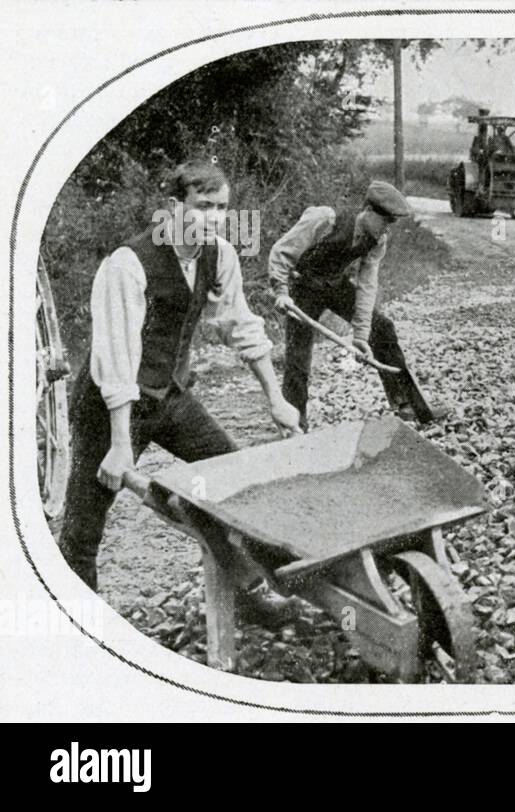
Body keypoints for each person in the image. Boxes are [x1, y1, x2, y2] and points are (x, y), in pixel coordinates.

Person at [58, 160, 302, 625]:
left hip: (169, 396)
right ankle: (79, 627)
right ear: (174, 207)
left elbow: (240, 325)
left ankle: (249, 594)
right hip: (109, 403)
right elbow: (117, 357)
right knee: (83, 529)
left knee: (233, 481)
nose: (213, 217)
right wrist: (121, 445)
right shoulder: (128, 263)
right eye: (203, 206)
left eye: (222, 208)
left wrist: (276, 398)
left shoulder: (220, 254)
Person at [269, 180, 447, 430]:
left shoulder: (377, 241)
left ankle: (410, 406)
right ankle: (294, 423)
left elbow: (366, 286)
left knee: (383, 329)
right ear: (369, 211)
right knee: (298, 357)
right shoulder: (325, 219)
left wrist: (362, 334)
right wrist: (281, 291)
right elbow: (281, 253)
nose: (387, 230)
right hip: (303, 288)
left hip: (335, 285)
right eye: (386, 221)